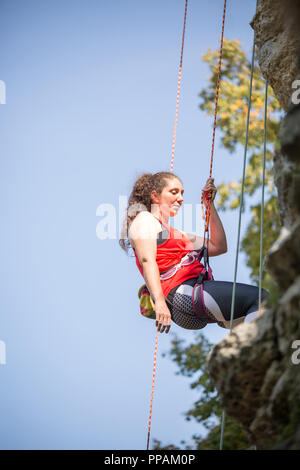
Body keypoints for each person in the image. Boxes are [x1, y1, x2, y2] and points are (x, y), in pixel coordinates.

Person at [119, 171, 268, 334]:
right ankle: (254, 346)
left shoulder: (178, 235)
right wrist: (159, 302)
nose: (181, 198)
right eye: (174, 192)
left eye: (182, 193)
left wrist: (209, 204)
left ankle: (252, 348)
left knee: (261, 310)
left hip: (191, 294)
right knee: (262, 299)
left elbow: (218, 246)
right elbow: (147, 260)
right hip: (183, 293)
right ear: (155, 196)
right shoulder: (145, 220)